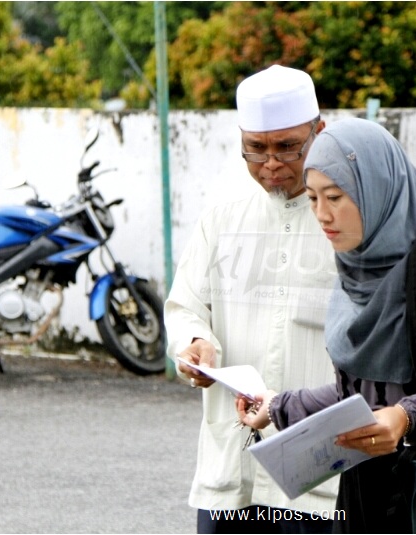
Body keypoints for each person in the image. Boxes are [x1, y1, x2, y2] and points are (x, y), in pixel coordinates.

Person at [238, 117, 416, 533]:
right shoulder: (356, 262)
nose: (322, 214)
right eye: (313, 198)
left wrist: (409, 417)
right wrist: (277, 406)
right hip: (366, 491)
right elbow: (364, 391)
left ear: (375, 187)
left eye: (336, 197)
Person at [164, 65, 339, 533]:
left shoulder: (347, 216)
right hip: (232, 471)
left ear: (319, 132)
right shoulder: (223, 211)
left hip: (320, 475)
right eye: (255, 149)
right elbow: (186, 306)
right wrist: (194, 342)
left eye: (287, 147)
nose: (271, 164)